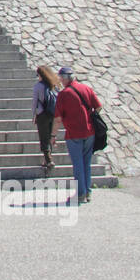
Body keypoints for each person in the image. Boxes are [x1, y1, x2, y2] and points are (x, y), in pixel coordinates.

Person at [53, 66, 103, 204]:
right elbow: (98, 106)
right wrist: (89, 116)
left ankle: (80, 194)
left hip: (74, 133)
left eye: (61, 79)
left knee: (78, 164)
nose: (60, 81)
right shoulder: (86, 89)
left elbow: (57, 119)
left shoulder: (64, 94)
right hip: (89, 131)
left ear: (64, 78)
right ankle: (87, 192)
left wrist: (53, 136)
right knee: (86, 163)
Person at [32, 65, 60, 174]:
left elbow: (35, 102)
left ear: (40, 75)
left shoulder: (38, 86)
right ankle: (47, 158)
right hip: (52, 113)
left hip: (42, 114)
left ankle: (48, 160)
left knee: (43, 137)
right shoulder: (55, 85)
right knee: (49, 136)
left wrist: (33, 115)